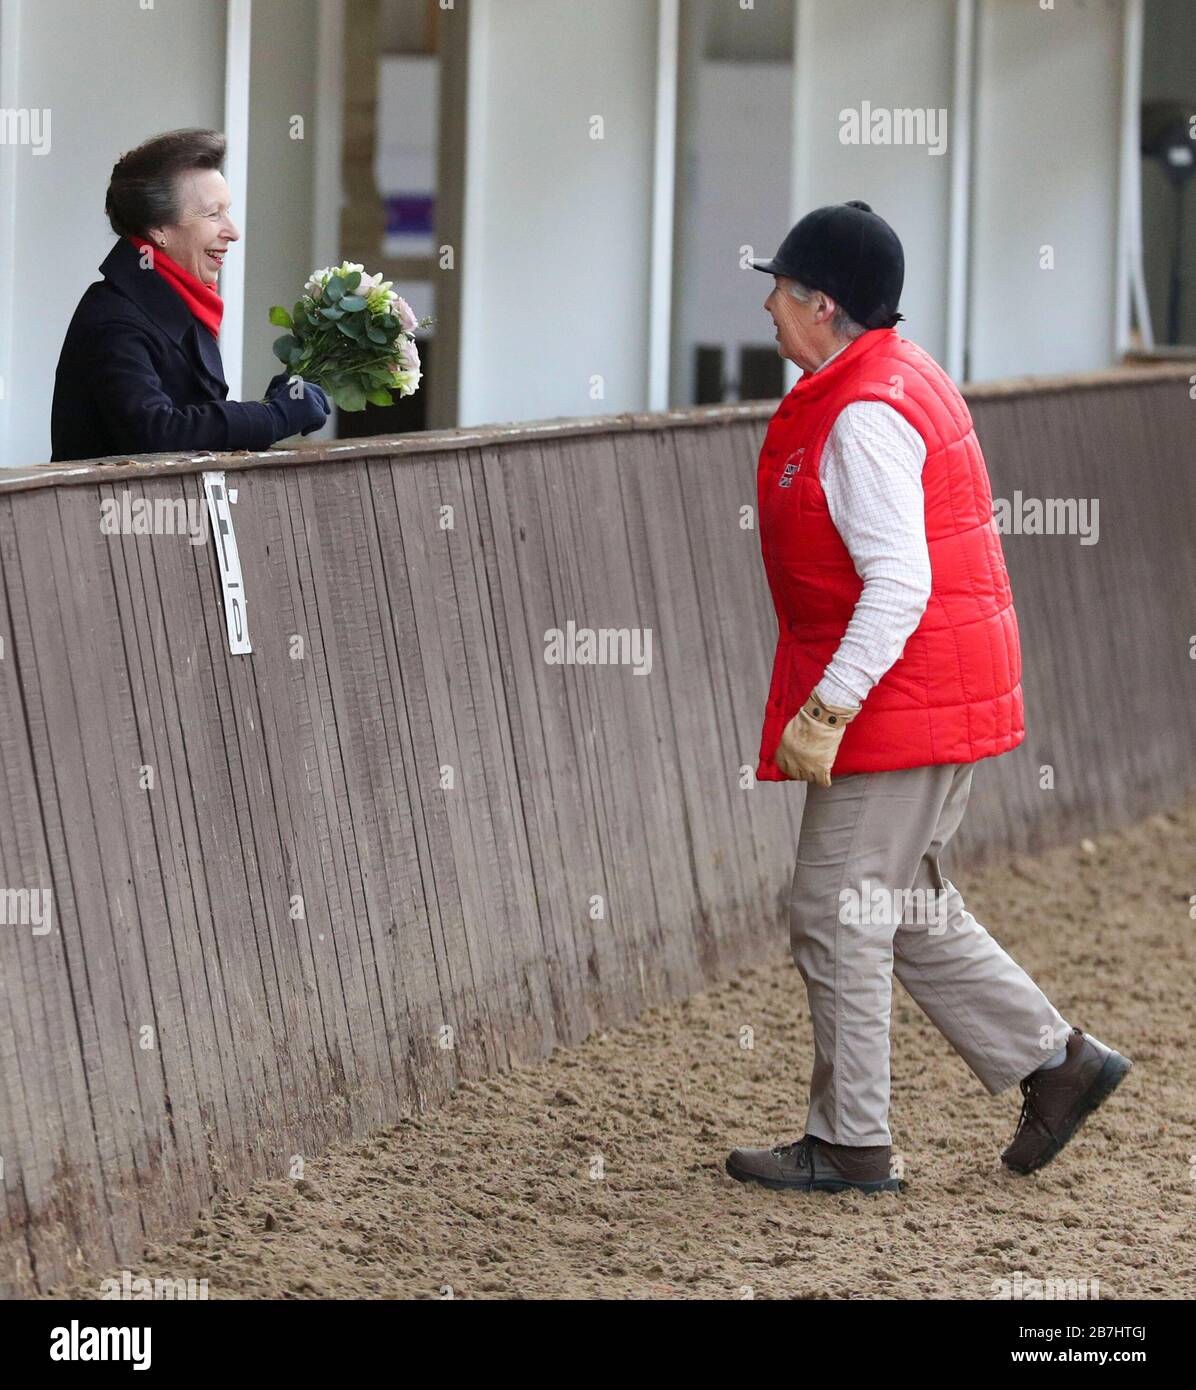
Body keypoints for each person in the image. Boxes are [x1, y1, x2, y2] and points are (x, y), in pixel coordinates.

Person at [725, 200, 1131, 1195]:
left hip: (897, 698)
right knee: (898, 905)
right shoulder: (885, 376)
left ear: (822, 304)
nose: (768, 307)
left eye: (778, 290)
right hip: (934, 690)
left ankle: (849, 1141)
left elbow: (898, 583)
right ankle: (1055, 1061)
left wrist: (829, 706)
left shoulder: (860, 416)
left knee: (833, 910)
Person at [51, 127, 328, 463]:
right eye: (213, 214)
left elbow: (190, 424)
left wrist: (271, 407)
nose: (233, 232)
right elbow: (154, 433)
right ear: (159, 229)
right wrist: (273, 418)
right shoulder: (113, 315)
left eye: (227, 211)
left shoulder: (175, 299)